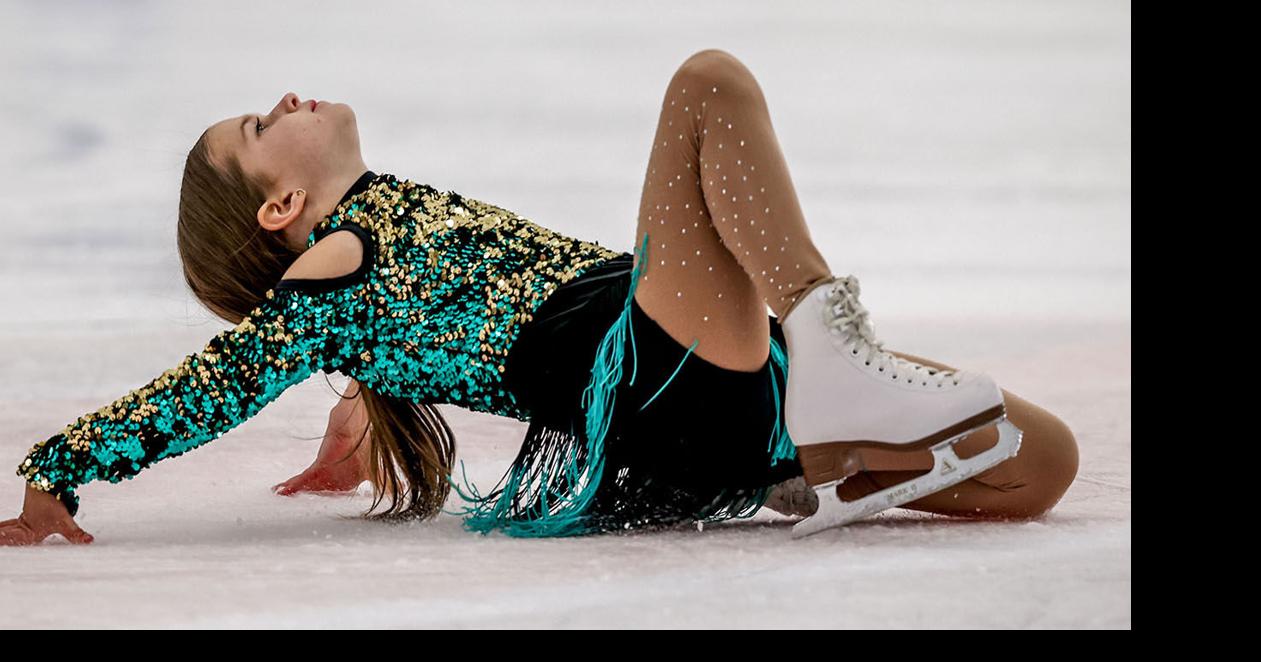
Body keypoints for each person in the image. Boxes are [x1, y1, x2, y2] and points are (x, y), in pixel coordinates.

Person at [1, 49, 1078, 546]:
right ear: (282, 203)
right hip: (649, 370)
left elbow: (375, 345)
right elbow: (221, 378)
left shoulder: (356, 298)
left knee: (1039, 461)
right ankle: (829, 357)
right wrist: (64, 465)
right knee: (707, 86)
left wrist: (352, 417)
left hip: (695, 407)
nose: (280, 97)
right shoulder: (327, 271)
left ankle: (801, 454)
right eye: (254, 124)